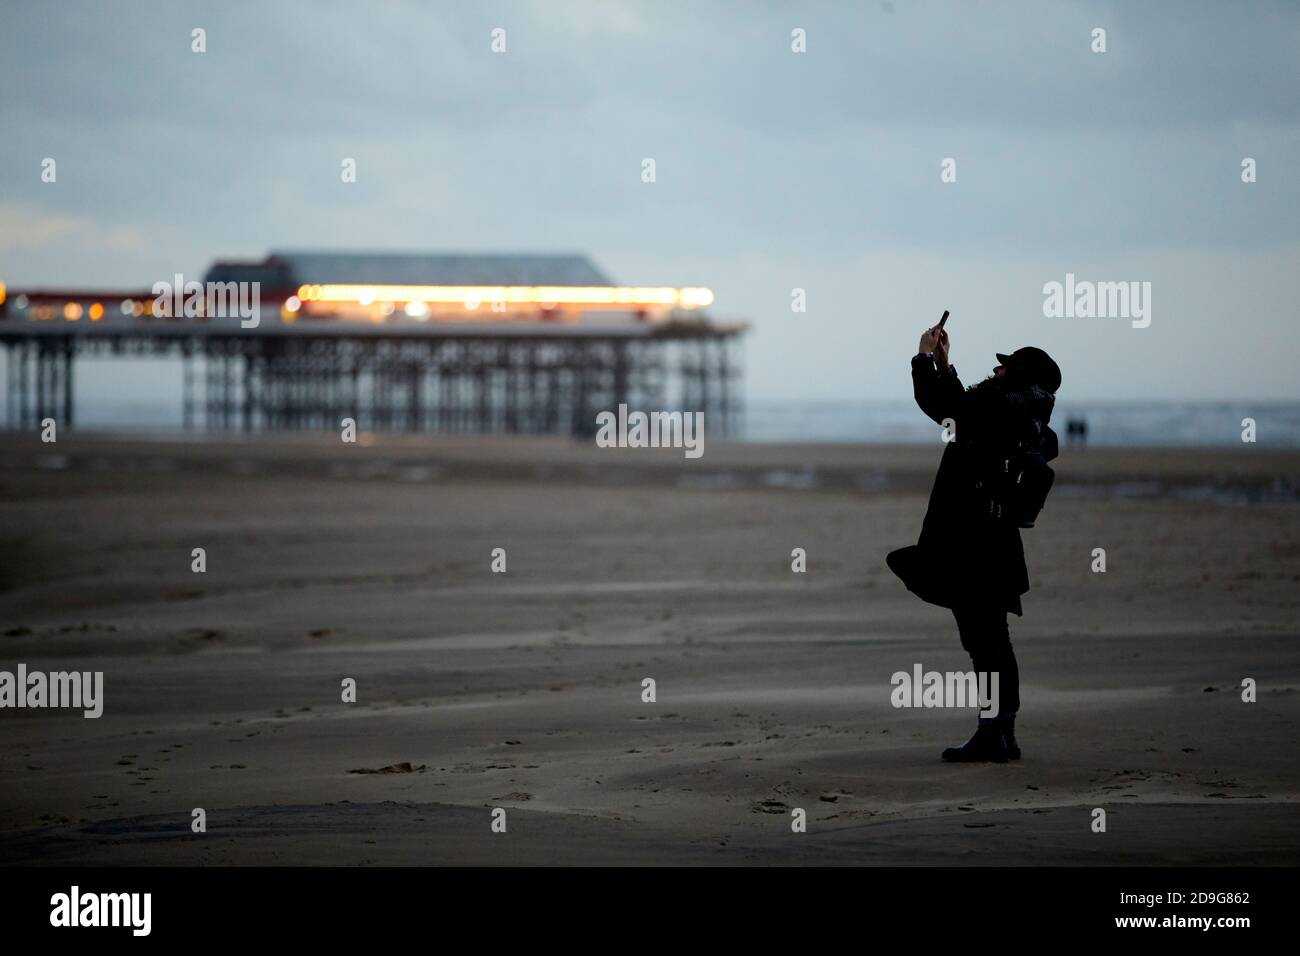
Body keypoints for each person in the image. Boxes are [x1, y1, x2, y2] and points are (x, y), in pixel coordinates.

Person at [887, 324, 1060, 763]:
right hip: (996, 540)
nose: (997, 369)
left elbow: (944, 408)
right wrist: (946, 365)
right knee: (992, 638)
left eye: (1006, 366)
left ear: (1017, 377)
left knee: (983, 640)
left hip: (973, 543)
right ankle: (1002, 731)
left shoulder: (997, 408)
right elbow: (965, 411)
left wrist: (923, 358)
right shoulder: (1027, 415)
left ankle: (993, 732)